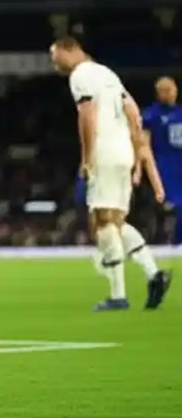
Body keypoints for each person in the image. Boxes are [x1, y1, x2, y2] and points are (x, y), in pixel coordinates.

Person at [48, 37, 171, 311]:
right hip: (122, 151)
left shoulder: (80, 75)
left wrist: (87, 157)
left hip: (103, 151)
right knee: (115, 219)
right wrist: (136, 146)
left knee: (102, 222)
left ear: (71, 50)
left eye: (56, 57)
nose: (54, 64)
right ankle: (153, 273)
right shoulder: (107, 73)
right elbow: (133, 111)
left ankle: (118, 295)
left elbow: (87, 117)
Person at [142, 76, 182, 244]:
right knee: (172, 208)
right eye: (163, 90)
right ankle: (167, 243)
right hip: (164, 169)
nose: (167, 94)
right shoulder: (151, 115)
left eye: (170, 89)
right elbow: (144, 145)